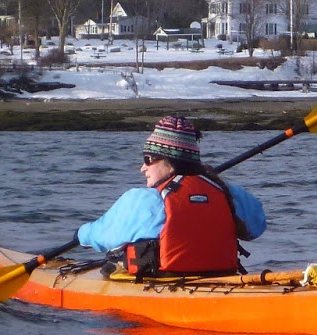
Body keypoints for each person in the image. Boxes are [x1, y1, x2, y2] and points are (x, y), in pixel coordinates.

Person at [75, 114, 266, 276]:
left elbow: (105, 234)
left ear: (170, 162)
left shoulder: (146, 200)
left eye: (148, 159)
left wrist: (81, 234)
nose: (143, 168)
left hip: (165, 283)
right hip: (221, 277)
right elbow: (257, 226)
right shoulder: (225, 191)